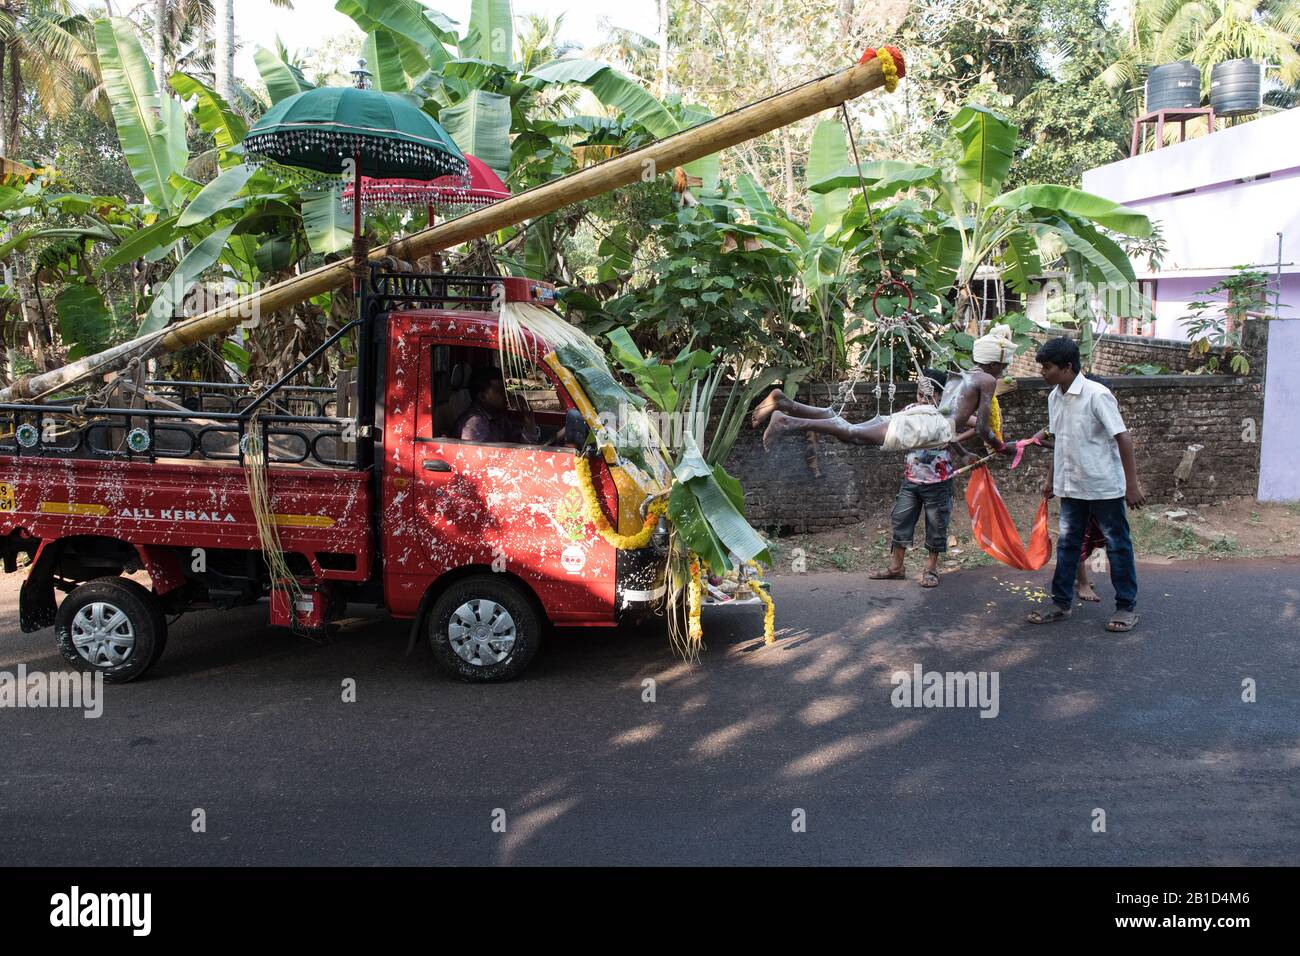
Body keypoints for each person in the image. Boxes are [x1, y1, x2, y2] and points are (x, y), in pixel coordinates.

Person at [753, 325, 1021, 465]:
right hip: (928, 423)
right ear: (996, 363)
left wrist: (961, 452)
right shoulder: (986, 380)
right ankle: (787, 421)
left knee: (850, 430)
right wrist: (1001, 447)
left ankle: (786, 403)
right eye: (1004, 367)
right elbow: (982, 427)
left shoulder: (965, 374)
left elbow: (948, 425)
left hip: (925, 419)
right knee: (852, 434)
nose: (1003, 372)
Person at [1026, 337, 1145, 632]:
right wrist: (1051, 478)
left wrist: (1132, 485)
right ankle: (1061, 603)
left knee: (1117, 546)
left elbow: (1123, 438)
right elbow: (1058, 439)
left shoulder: (1097, 395)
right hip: (1072, 486)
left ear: (1068, 367)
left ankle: (1125, 607)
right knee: (1067, 545)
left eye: (1047, 367)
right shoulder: (1054, 397)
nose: (1042, 372)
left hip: (1104, 485)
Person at [869, 369, 955, 588]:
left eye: (927, 396)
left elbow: (975, 424)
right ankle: (897, 568)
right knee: (900, 519)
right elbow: (893, 430)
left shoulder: (946, 413)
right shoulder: (909, 411)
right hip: (911, 480)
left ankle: (931, 570)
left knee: (936, 525)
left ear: (939, 396)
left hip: (938, 482)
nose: (921, 400)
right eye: (919, 394)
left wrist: (952, 440)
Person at [454, 366, 543, 444]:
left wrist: (528, 415)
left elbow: (523, 444)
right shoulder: (474, 425)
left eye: (505, 390)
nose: (506, 394)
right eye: (499, 390)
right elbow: (478, 459)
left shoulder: (498, 417)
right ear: (482, 396)